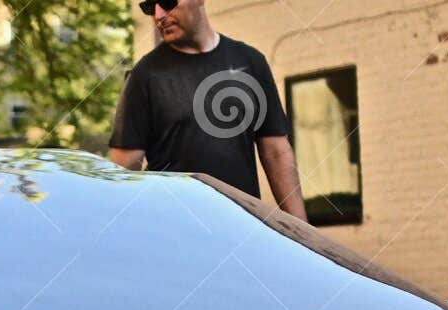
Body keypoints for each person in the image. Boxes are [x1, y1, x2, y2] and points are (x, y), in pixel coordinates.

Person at [110, 0, 307, 221]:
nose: (158, 15)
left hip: (242, 225)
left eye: (166, 2)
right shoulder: (144, 75)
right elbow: (124, 170)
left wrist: (304, 232)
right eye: (149, 7)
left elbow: (276, 152)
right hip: (175, 227)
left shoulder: (251, 61)